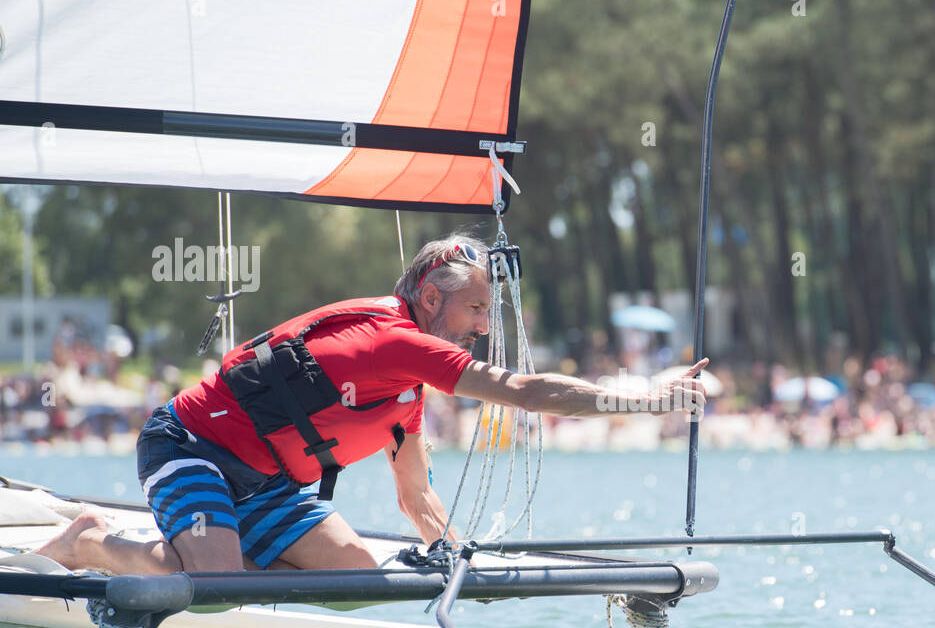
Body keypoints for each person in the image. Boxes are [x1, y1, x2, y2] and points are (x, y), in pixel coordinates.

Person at [38, 235, 708, 574]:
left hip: (269, 482)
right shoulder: (394, 341)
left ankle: (211, 552)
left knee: (356, 578)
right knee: (215, 584)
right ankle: (89, 541)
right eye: (476, 308)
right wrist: (650, 398)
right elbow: (525, 392)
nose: (482, 325)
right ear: (431, 299)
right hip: (192, 447)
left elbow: (415, 498)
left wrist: (451, 556)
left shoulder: (406, 396)